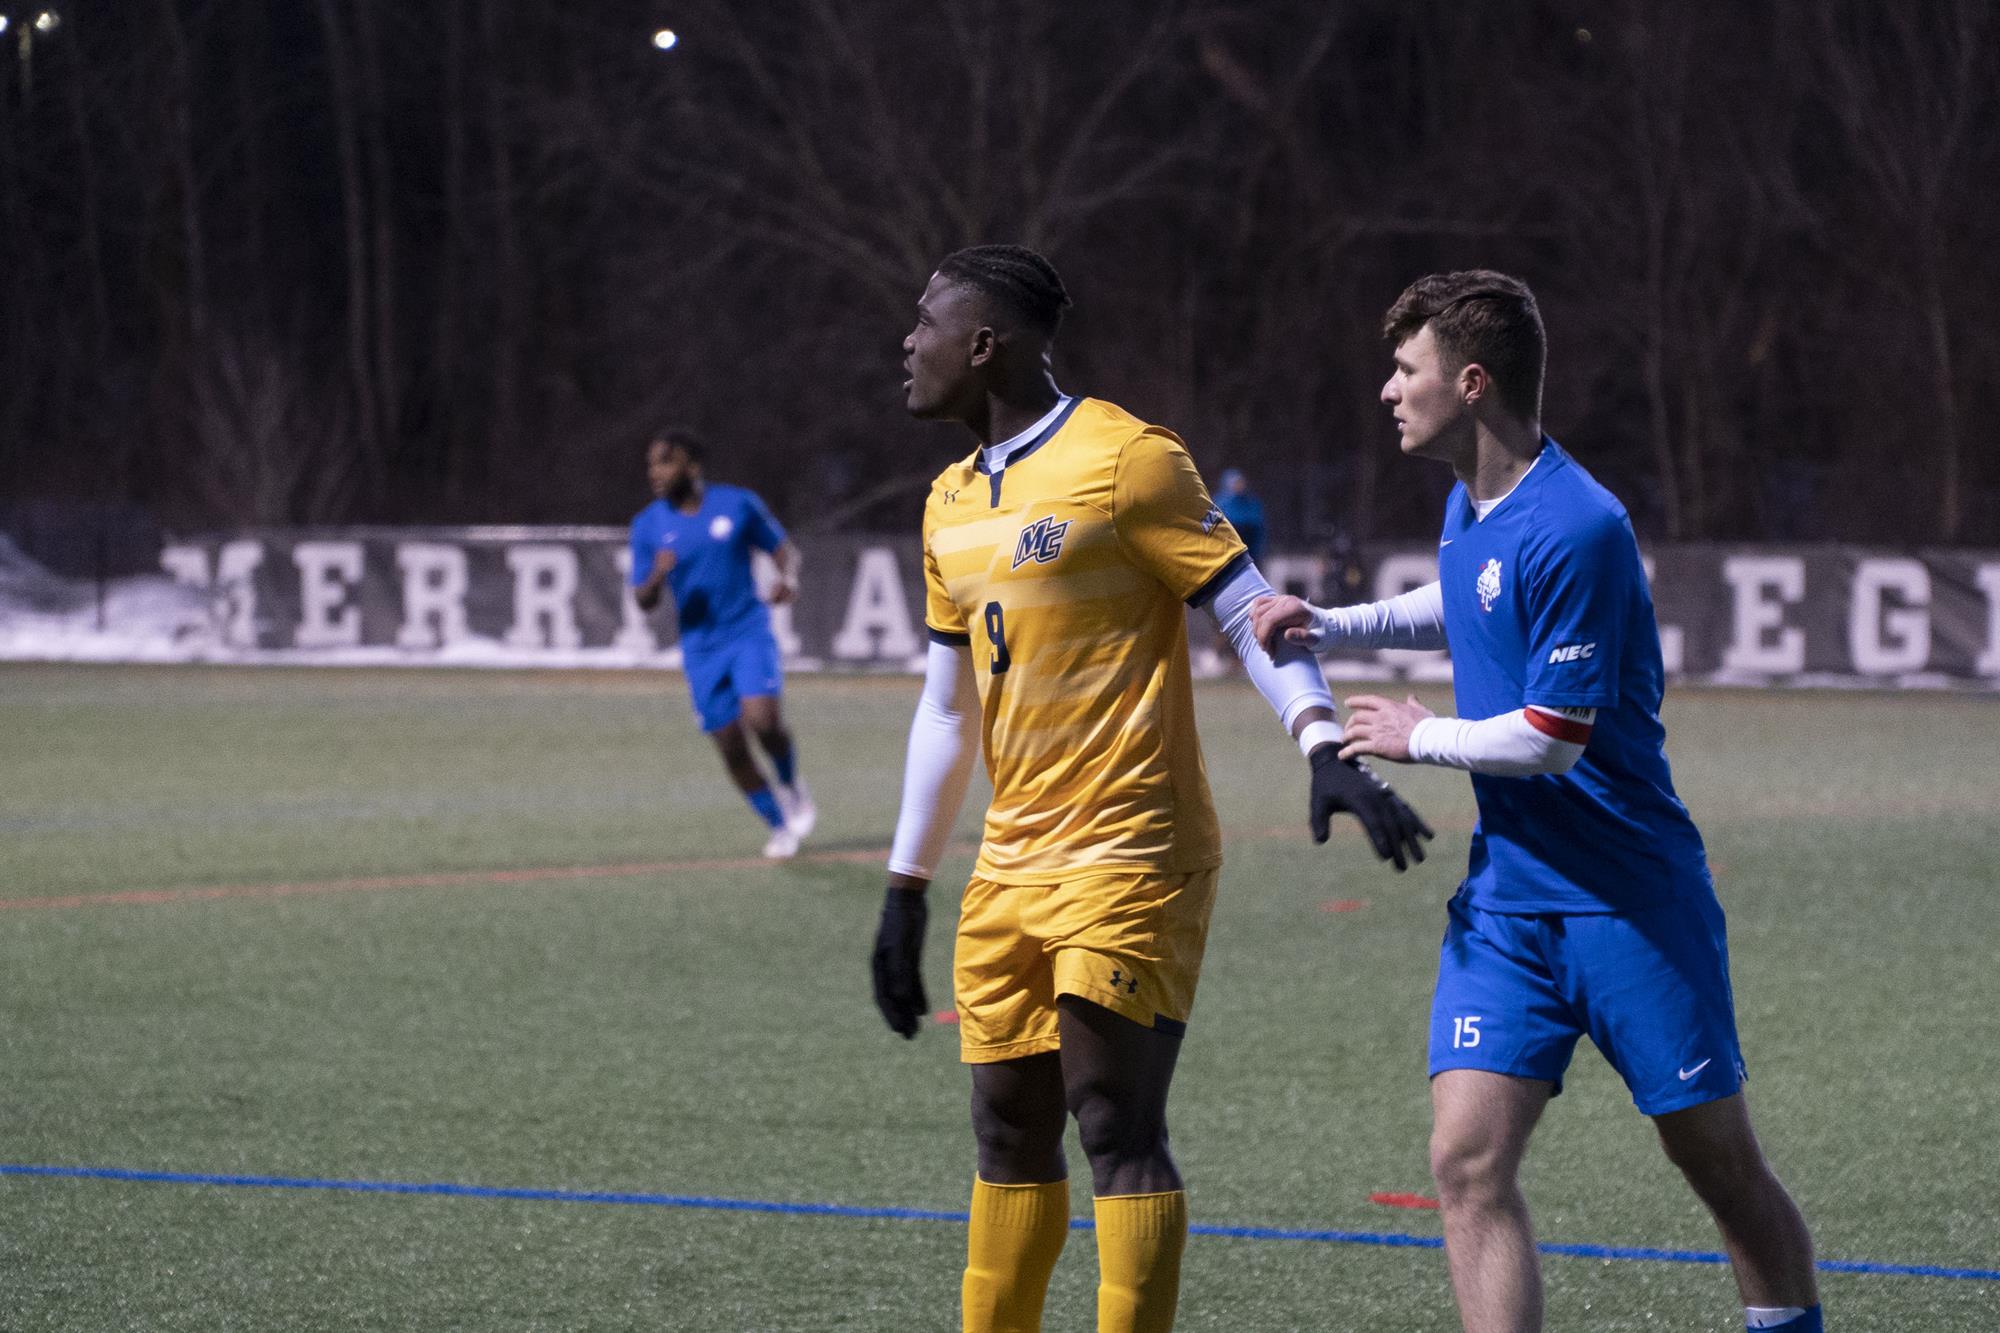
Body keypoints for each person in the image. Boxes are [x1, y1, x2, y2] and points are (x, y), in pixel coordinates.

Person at [869, 244, 1432, 1333]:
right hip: (1010, 861)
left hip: (1132, 845)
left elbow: (1247, 611)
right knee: (1002, 1131)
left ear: (982, 343)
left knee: (1110, 1122)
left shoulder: (1127, 460)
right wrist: (903, 887)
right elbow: (946, 708)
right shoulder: (944, 503)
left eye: (924, 321)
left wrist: (1321, 741)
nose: (907, 342)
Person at [1251, 271, 1821, 1333]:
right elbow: (1465, 598)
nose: (1386, 390)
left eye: (1405, 369)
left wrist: (1413, 734)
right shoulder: (1469, 501)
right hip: (1509, 907)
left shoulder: (1580, 524)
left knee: (1720, 1169)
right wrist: (1332, 624)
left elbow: (1551, 740)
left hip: (1629, 903)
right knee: (1463, 1166)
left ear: (1469, 383)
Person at [629, 429, 814, 859]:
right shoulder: (649, 526)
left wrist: (787, 579)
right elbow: (642, 599)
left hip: (747, 631)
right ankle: (779, 824)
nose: (655, 473)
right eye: (651, 464)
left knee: (763, 721)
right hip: (700, 649)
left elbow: (780, 549)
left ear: (691, 465)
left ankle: (790, 784)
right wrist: (656, 575)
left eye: (665, 461)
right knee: (730, 744)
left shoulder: (736, 504)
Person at [1213, 469, 1266, 564]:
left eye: (1240, 482)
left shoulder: (1251, 503)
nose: (1239, 486)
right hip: (1227, 552)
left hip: (1250, 551)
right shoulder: (1220, 503)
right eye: (1236, 483)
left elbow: (1259, 528)